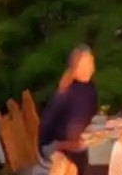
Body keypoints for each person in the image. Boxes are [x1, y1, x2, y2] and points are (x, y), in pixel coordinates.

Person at [39, 45, 98, 175]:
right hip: (54, 145)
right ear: (76, 67)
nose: (90, 68)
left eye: (91, 63)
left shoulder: (90, 88)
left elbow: (89, 118)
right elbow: (49, 124)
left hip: (74, 145)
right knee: (66, 166)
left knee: (74, 165)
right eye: (86, 64)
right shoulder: (68, 90)